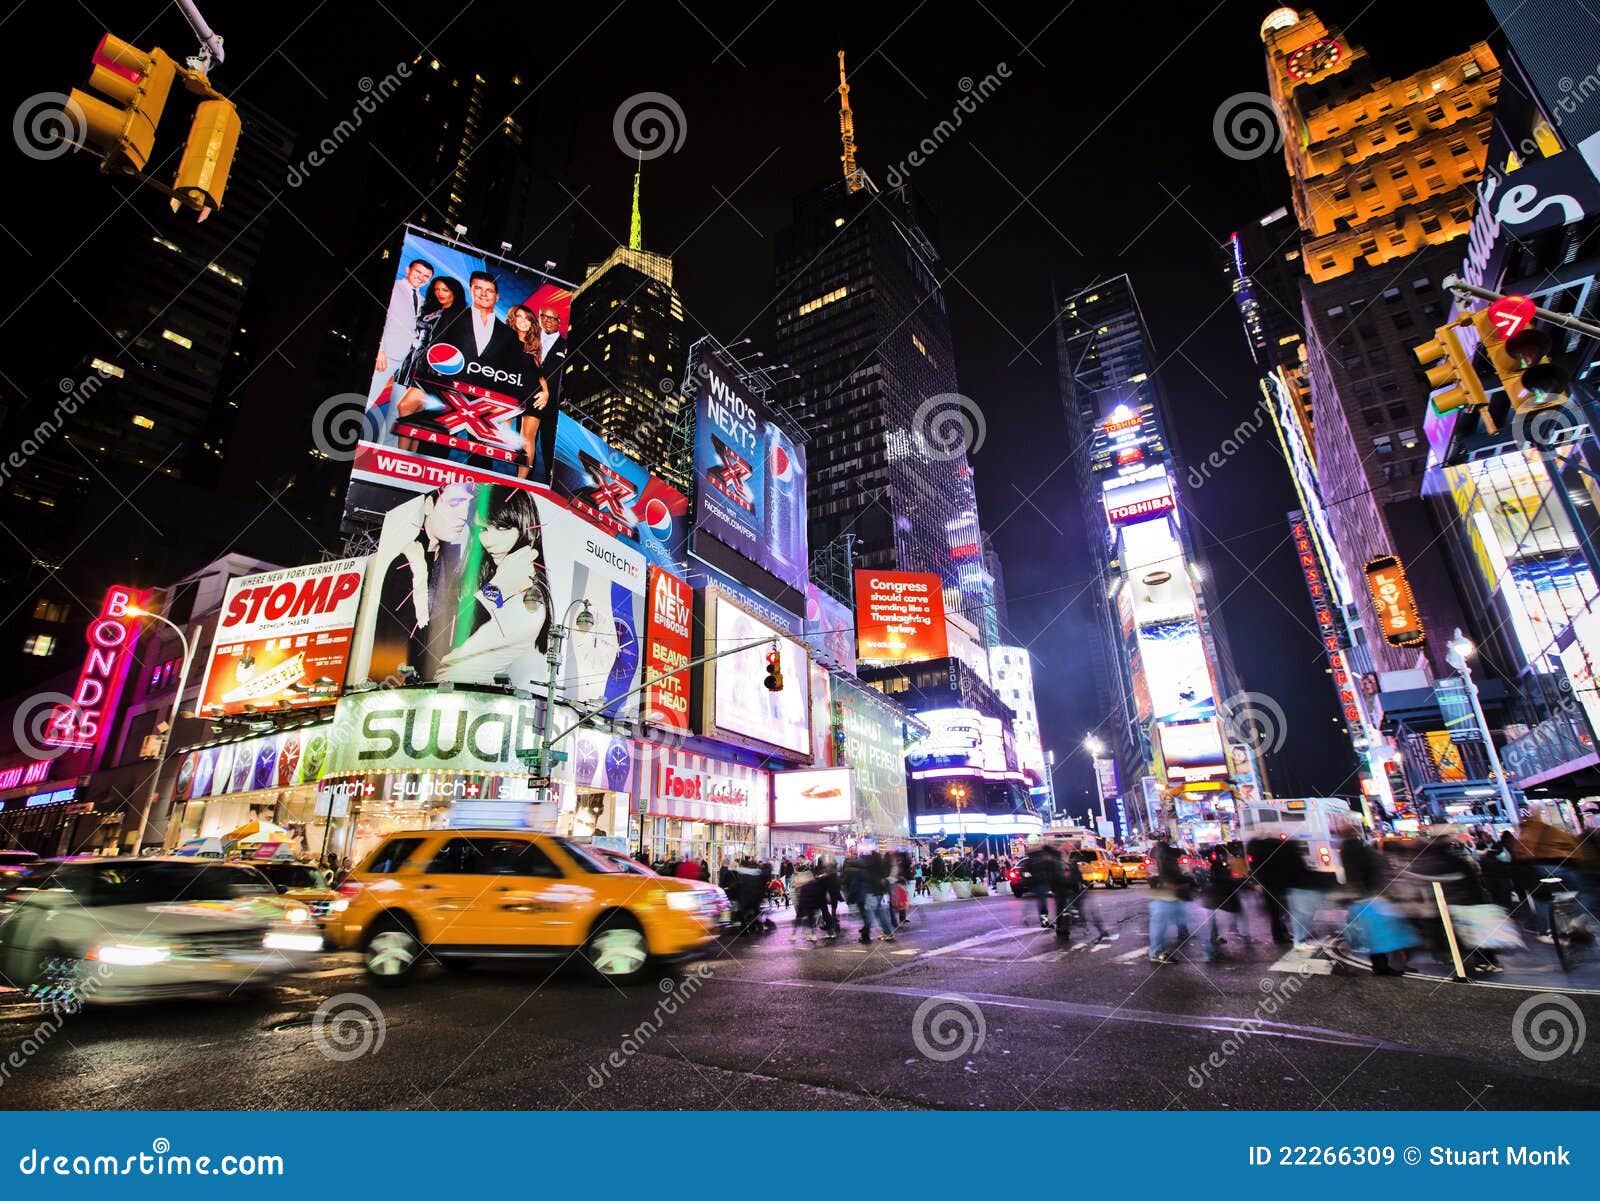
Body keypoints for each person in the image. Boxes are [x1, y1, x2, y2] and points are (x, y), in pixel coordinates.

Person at [435, 489, 553, 683]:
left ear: (526, 528)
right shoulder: (490, 575)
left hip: (466, 694)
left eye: (502, 528)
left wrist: (497, 587)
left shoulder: (530, 602)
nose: (489, 542)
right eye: (482, 530)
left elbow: (448, 639)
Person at [371, 482, 477, 683]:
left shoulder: (451, 562)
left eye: (468, 508)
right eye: (454, 503)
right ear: (429, 505)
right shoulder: (404, 565)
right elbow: (389, 643)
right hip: (404, 688)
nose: (463, 517)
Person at [369, 258, 434, 413]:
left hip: (404, 360)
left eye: (426, 276)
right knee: (369, 397)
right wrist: (379, 350)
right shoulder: (393, 288)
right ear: (408, 270)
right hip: (386, 355)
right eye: (418, 272)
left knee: (393, 406)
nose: (421, 277)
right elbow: (378, 319)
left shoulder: (421, 300)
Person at [532, 305, 568, 478]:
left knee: (548, 444)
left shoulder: (566, 345)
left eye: (552, 318)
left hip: (552, 404)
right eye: (543, 316)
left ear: (559, 322)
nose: (547, 320)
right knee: (526, 440)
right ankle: (523, 477)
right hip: (530, 398)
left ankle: (547, 478)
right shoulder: (531, 339)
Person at [1147, 837, 1194, 964]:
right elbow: (1184, 872)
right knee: (1162, 922)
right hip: (1166, 895)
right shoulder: (1171, 857)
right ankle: (1156, 953)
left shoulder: (1154, 857)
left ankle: (1157, 951)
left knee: (1168, 918)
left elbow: (1152, 875)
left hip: (1164, 894)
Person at [1203, 844, 1250, 951]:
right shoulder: (1219, 863)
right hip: (1222, 893)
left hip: (1217, 893)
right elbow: (1224, 878)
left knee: (1215, 918)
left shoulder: (1216, 862)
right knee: (1230, 915)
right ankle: (1211, 948)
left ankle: (1212, 943)